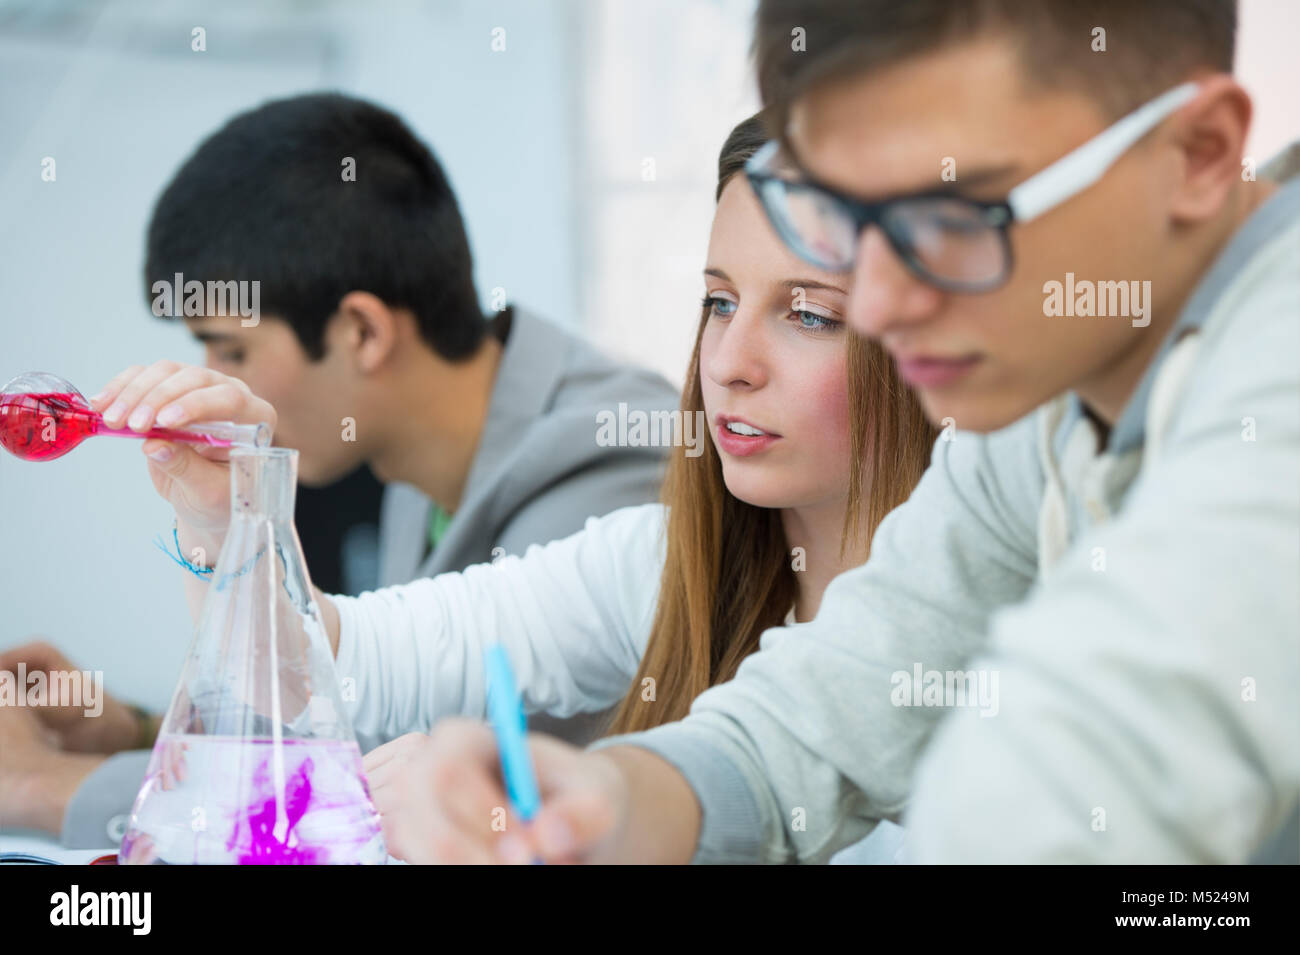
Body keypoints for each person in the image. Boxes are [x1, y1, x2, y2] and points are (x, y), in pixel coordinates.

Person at [364, 0, 1299, 864]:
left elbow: (1053, 811)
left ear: (1200, 151)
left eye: (944, 218)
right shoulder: (1042, 409)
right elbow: (822, 718)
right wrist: (604, 796)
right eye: (847, 229)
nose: (884, 304)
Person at [62, 113, 936, 864]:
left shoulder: (990, 621)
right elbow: (339, 668)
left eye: (810, 314)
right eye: (717, 303)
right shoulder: (661, 561)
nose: (729, 365)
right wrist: (227, 517)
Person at [0, 93, 678, 848]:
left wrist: (40, 786)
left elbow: (389, 810)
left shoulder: (611, 471)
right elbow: (355, 706)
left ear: (360, 331)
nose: (209, 381)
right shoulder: (409, 461)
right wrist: (134, 729)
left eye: (231, 349)